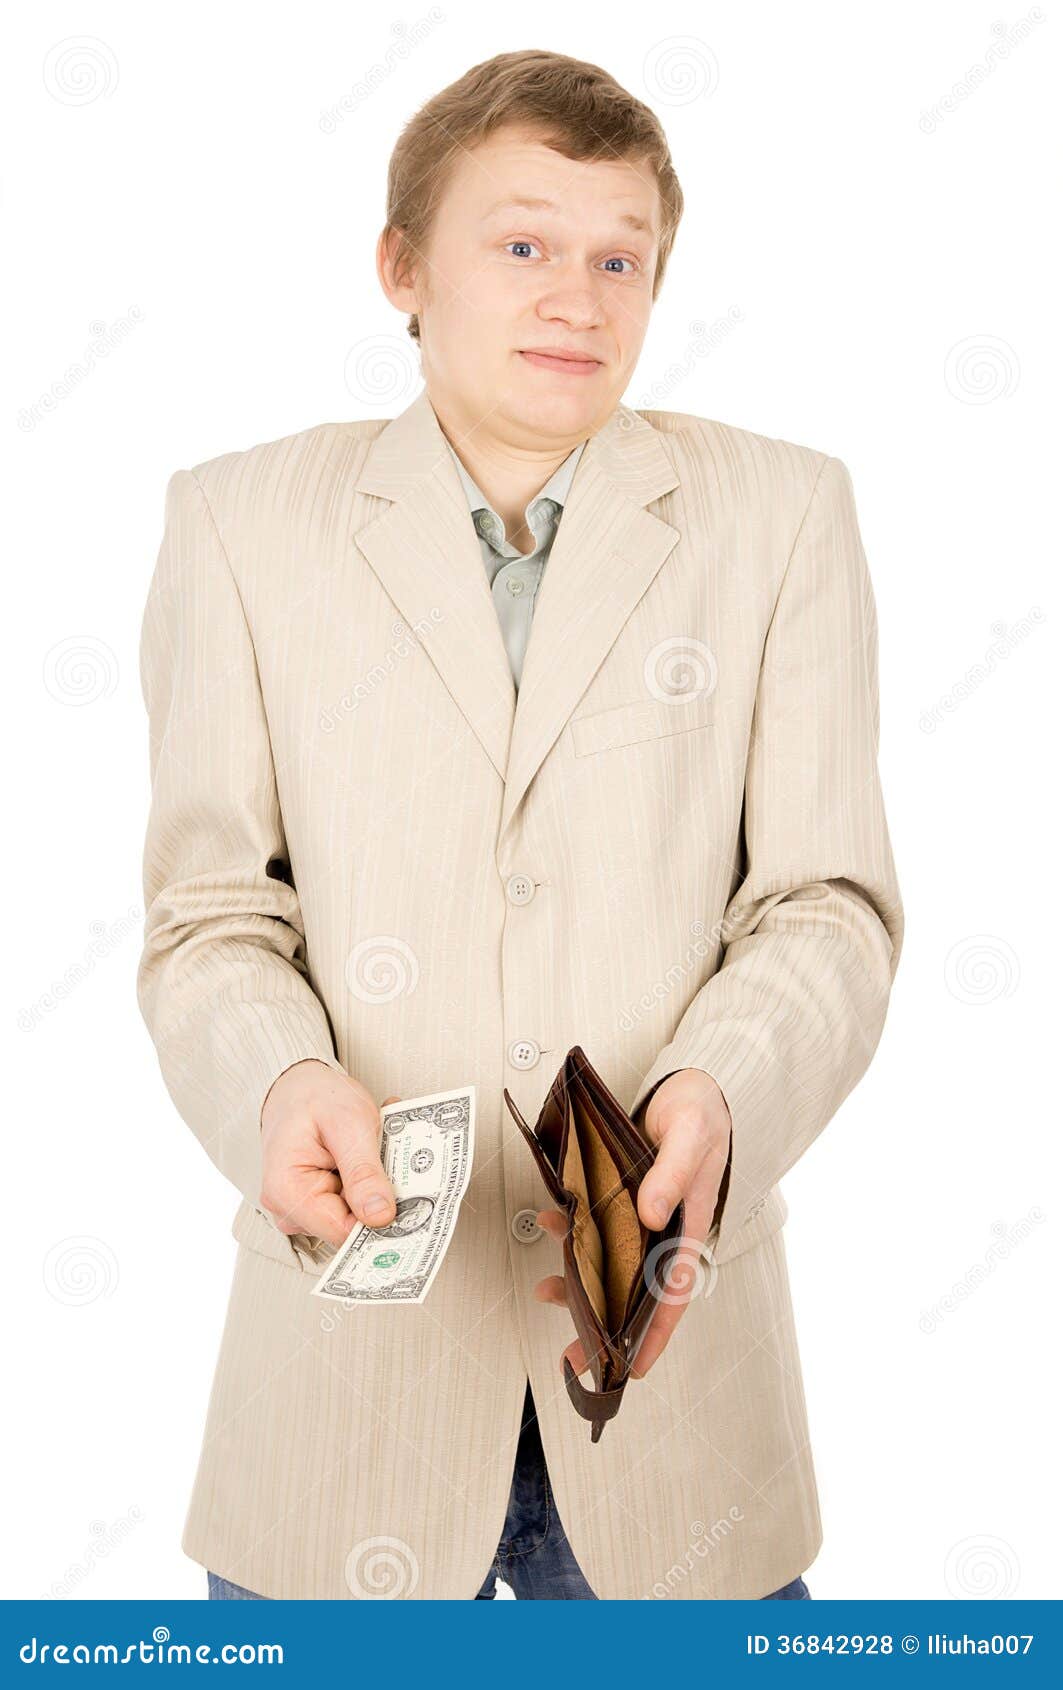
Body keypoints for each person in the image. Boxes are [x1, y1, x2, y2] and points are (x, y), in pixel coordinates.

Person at [137, 49, 903, 1601]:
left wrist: (722, 1088)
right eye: (524, 243)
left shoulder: (782, 516)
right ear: (403, 269)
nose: (579, 296)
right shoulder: (239, 525)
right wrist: (278, 1082)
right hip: (341, 1401)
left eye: (622, 257)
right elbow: (213, 913)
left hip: (676, 1401)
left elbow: (826, 902)